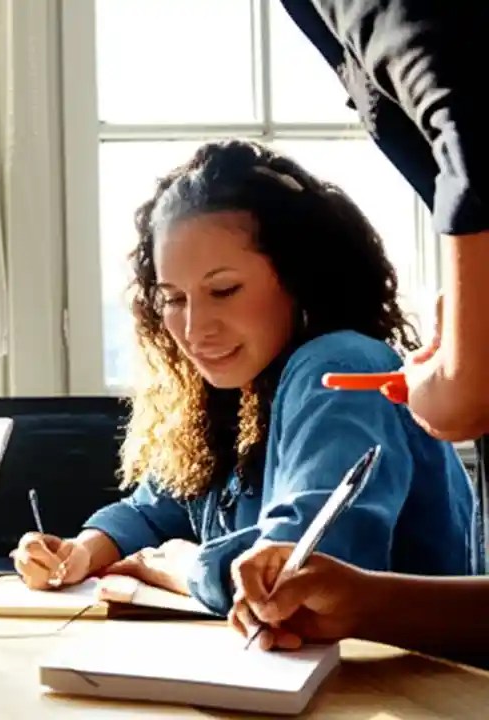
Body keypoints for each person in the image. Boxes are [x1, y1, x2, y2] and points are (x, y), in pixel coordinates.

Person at [11, 139, 479, 616]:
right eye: (173, 299)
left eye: (224, 290)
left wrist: (179, 566)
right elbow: (152, 510)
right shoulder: (234, 387)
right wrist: (81, 552)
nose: (194, 330)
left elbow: (298, 578)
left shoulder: (341, 366)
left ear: (301, 278)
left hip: (414, 685)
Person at [230, 0, 489, 668]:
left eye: (224, 288)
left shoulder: (335, 360)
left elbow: (472, 129)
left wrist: (464, 373)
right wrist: (368, 603)